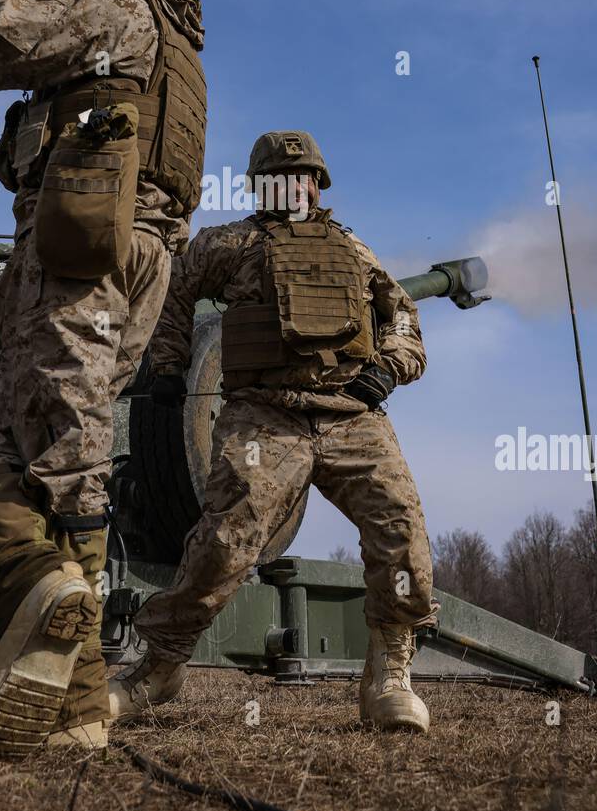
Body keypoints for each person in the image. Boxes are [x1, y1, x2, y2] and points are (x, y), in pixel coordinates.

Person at [0, 0, 207, 756]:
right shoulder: (173, 41)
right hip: (136, 248)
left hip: (80, 241)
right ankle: (65, 684)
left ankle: (70, 666)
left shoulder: (109, 3)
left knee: (63, 444)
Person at [107, 130, 436, 733]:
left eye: (303, 177)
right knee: (224, 542)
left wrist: (389, 368)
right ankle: (160, 666)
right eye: (280, 179)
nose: (293, 187)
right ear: (260, 187)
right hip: (265, 414)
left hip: (350, 413)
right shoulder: (228, 244)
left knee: (402, 531)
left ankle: (390, 673)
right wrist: (170, 368)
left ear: (317, 186)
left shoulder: (354, 251)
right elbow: (173, 292)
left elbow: (402, 317)